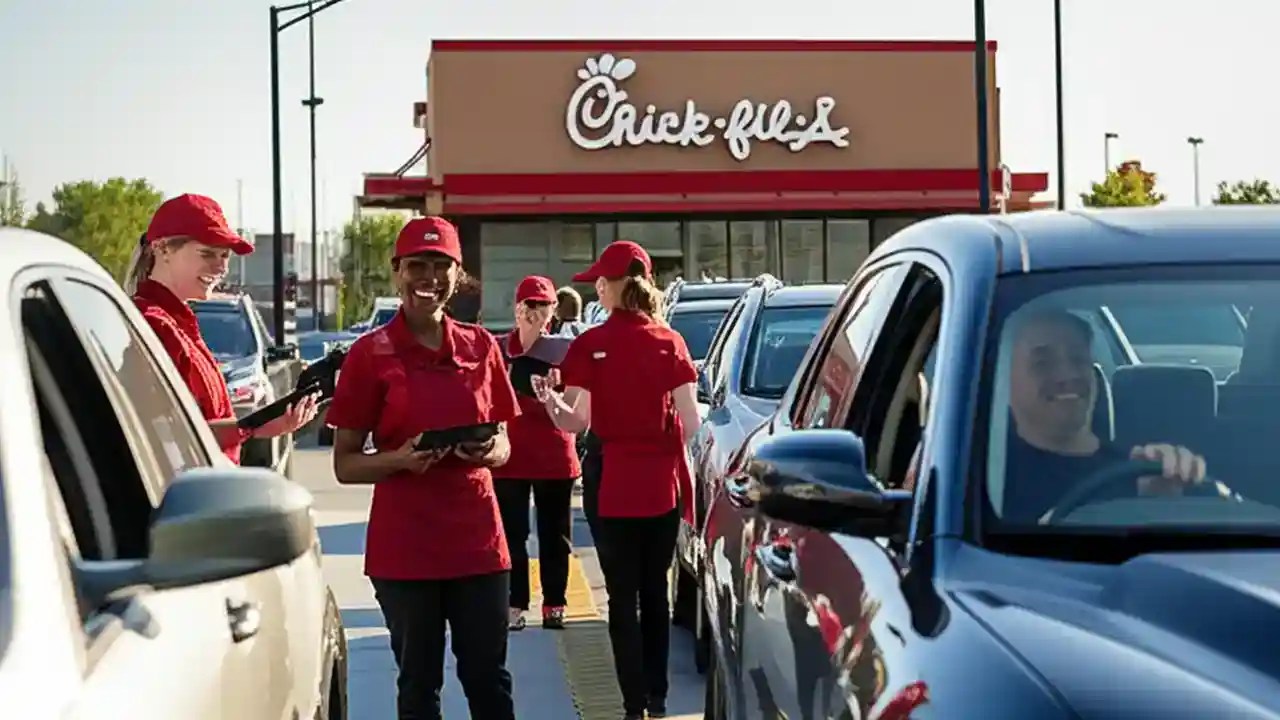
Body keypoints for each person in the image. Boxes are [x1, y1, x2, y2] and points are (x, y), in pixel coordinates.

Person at [325, 216, 520, 720]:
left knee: (488, 679)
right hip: (405, 546)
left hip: (477, 541)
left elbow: (504, 442)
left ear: (458, 275)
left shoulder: (482, 347)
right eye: (416, 265)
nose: (428, 277)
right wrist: (400, 460)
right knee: (419, 684)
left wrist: (489, 452)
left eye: (440, 265)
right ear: (397, 272)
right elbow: (346, 464)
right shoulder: (370, 356)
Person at [533, 240, 702, 720]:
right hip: (661, 483)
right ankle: (658, 697)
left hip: (611, 480)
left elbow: (576, 423)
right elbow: (691, 425)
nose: (597, 290)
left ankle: (631, 704)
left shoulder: (591, 344)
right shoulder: (671, 343)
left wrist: (549, 401)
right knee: (656, 594)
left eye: (600, 282)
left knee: (621, 597)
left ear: (613, 286)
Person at [125, 193, 318, 464]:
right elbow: (167, 435)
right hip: (188, 495)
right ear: (163, 249)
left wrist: (257, 425)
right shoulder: (154, 324)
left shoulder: (176, 323)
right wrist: (250, 426)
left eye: (225, 256)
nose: (221, 267)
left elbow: (196, 424)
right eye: (207, 253)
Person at [1003, 308, 1208, 522]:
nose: (1067, 375)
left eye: (1078, 359)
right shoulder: (981, 479)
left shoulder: (1142, 473)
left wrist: (1158, 503)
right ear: (1003, 382)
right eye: (1042, 363)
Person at [493, 275, 582, 631]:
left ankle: (554, 604)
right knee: (512, 534)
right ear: (517, 308)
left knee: (555, 534)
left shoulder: (565, 349)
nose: (535, 312)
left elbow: (576, 404)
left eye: (542, 306)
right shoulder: (500, 348)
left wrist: (552, 391)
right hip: (510, 455)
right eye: (529, 305)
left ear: (553, 311)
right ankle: (515, 604)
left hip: (554, 454)